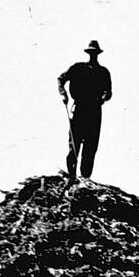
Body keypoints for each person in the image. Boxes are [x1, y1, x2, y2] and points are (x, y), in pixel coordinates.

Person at [57, 40, 113, 180]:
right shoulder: (78, 68)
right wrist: (63, 93)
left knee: (90, 148)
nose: (93, 55)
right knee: (74, 145)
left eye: (95, 53)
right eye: (91, 53)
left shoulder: (103, 72)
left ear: (98, 54)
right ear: (88, 53)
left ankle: (85, 179)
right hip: (80, 110)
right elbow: (61, 78)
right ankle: (72, 177)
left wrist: (105, 97)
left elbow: (109, 92)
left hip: (94, 112)